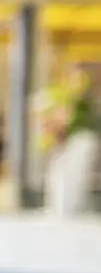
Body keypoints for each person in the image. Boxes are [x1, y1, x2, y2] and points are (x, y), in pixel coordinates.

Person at [41, 67, 98, 216]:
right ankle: (61, 207)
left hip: (78, 142)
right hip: (64, 143)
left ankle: (69, 207)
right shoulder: (63, 96)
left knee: (73, 175)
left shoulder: (83, 103)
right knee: (60, 174)